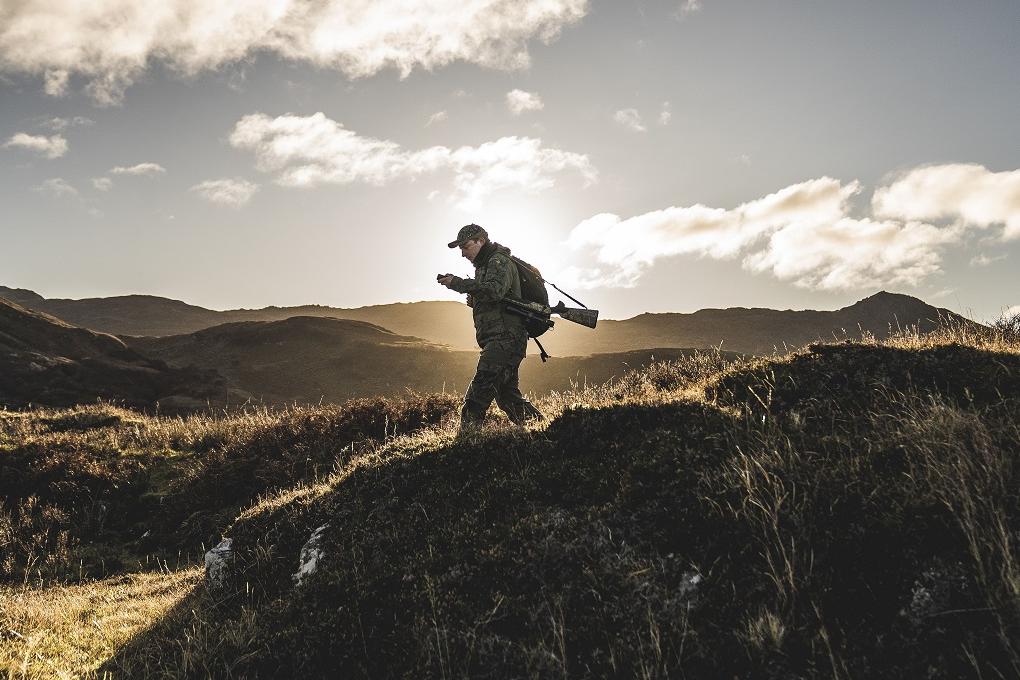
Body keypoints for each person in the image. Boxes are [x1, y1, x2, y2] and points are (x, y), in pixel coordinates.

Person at [438, 224, 544, 434]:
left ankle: (466, 440)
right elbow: (494, 297)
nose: (462, 253)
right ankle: (544, 429)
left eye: (466, 246)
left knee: (479, 392)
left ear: (481, 241)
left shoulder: (498, 261)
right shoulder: (485, 266)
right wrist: (475, 299)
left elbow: (494, 291)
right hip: (503, 338)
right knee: (507, 396)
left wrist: (457, 283)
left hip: (505, 338)